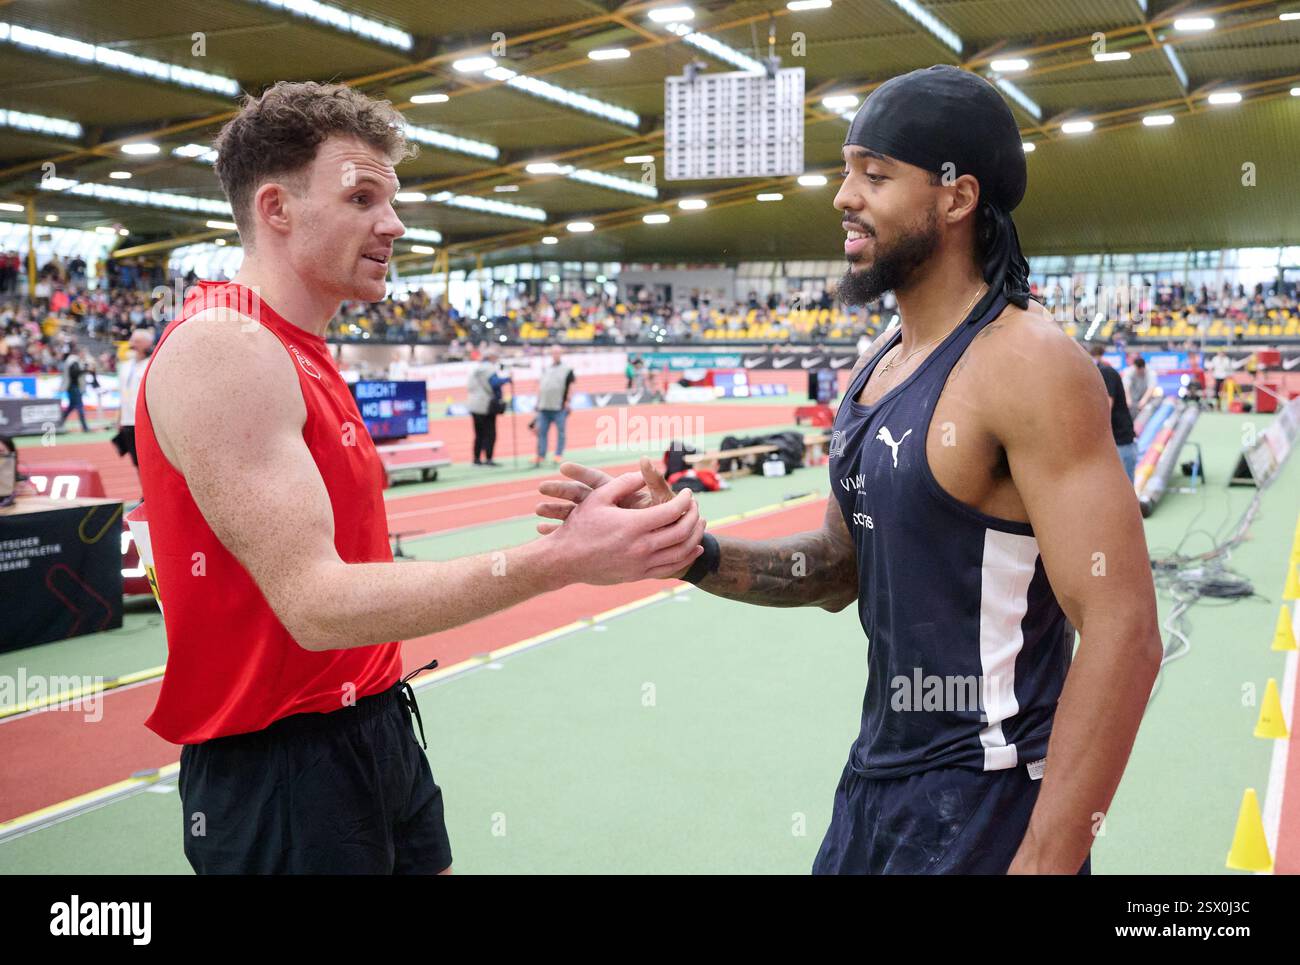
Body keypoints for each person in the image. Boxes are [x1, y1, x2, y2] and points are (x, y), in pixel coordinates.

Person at [539, 65, 1161, 875]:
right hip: (877, 787)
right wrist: (687, 548)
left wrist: (1048, 854)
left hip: (992, 795)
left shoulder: (1030, 362)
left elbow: (1124, 628)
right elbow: (838, 568)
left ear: (955, 197)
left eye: (874, 174)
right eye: (845, 171)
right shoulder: (876, 365)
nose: (842, 196)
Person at [130, 81, 704, 875]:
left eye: (392, 199)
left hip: (373, 719)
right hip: (281, 766)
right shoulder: (225, 346)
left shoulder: (302, 350)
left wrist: (584, 532)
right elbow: (316, 604)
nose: (394, 224)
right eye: (362, 197)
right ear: (276, 209)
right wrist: (563, 559)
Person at [1090, 345, 1138, 480]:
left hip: (1121, 439)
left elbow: (1107, 405)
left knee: (1125, 484)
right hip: (1113, 439)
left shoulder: (1106, 373)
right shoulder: (1100, 373)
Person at [115, 328, 153, 468]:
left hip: (147, 421)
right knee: (136, 462)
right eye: (132, 340)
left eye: (136, 341)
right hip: (128, 421)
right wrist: (119, 418)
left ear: (147, 344)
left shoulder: (151, 363)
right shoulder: (125, 366)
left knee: (150, 462)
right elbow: (123, 394)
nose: (132, 344)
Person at [534, 344, 574, 469]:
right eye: (553, 353)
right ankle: (541, 455)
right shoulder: (546, 369)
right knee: (541, 432)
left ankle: (558, 454)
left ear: (561, 354)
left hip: (559, 407)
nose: (555, 355)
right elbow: (541, 386)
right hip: (544, 406)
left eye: (557, 353)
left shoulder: (567, 369)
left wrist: (568, 401)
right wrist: (537, 402)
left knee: (561, 432)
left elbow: (571, 386)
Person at [467, 346, 509, 466]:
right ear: (491, 357)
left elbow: (469, 387)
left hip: (474, 404)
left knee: (478, 433)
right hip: (486, 405)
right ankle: (489, 458)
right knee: (490, 433)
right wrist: (507, 379)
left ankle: (476, 458)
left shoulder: (476, 369)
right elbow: (495, 383)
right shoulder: (490, 369)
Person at [57, 342, 96, 432]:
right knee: (79, 406)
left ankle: (59, 423)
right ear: (79, 352)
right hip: (73, 387)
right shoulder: (73, 360)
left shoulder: (75, 360)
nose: (84, 355)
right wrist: (86, 369)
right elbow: (74, 373)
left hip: (73, 386)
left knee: (71, 407)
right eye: (83, 353)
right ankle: (85, 427)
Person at [1122, 355, 1155, 421]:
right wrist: (1128, 399)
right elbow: (1126, 387)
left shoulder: (1151, 372)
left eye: (1141, 371)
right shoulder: (1129, 371)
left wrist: (1144, 400)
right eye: (1137, 370)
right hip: (1132, 399)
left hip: (1144, 398)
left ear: (1144, 367)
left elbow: (1151, 388)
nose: (1139, 372)